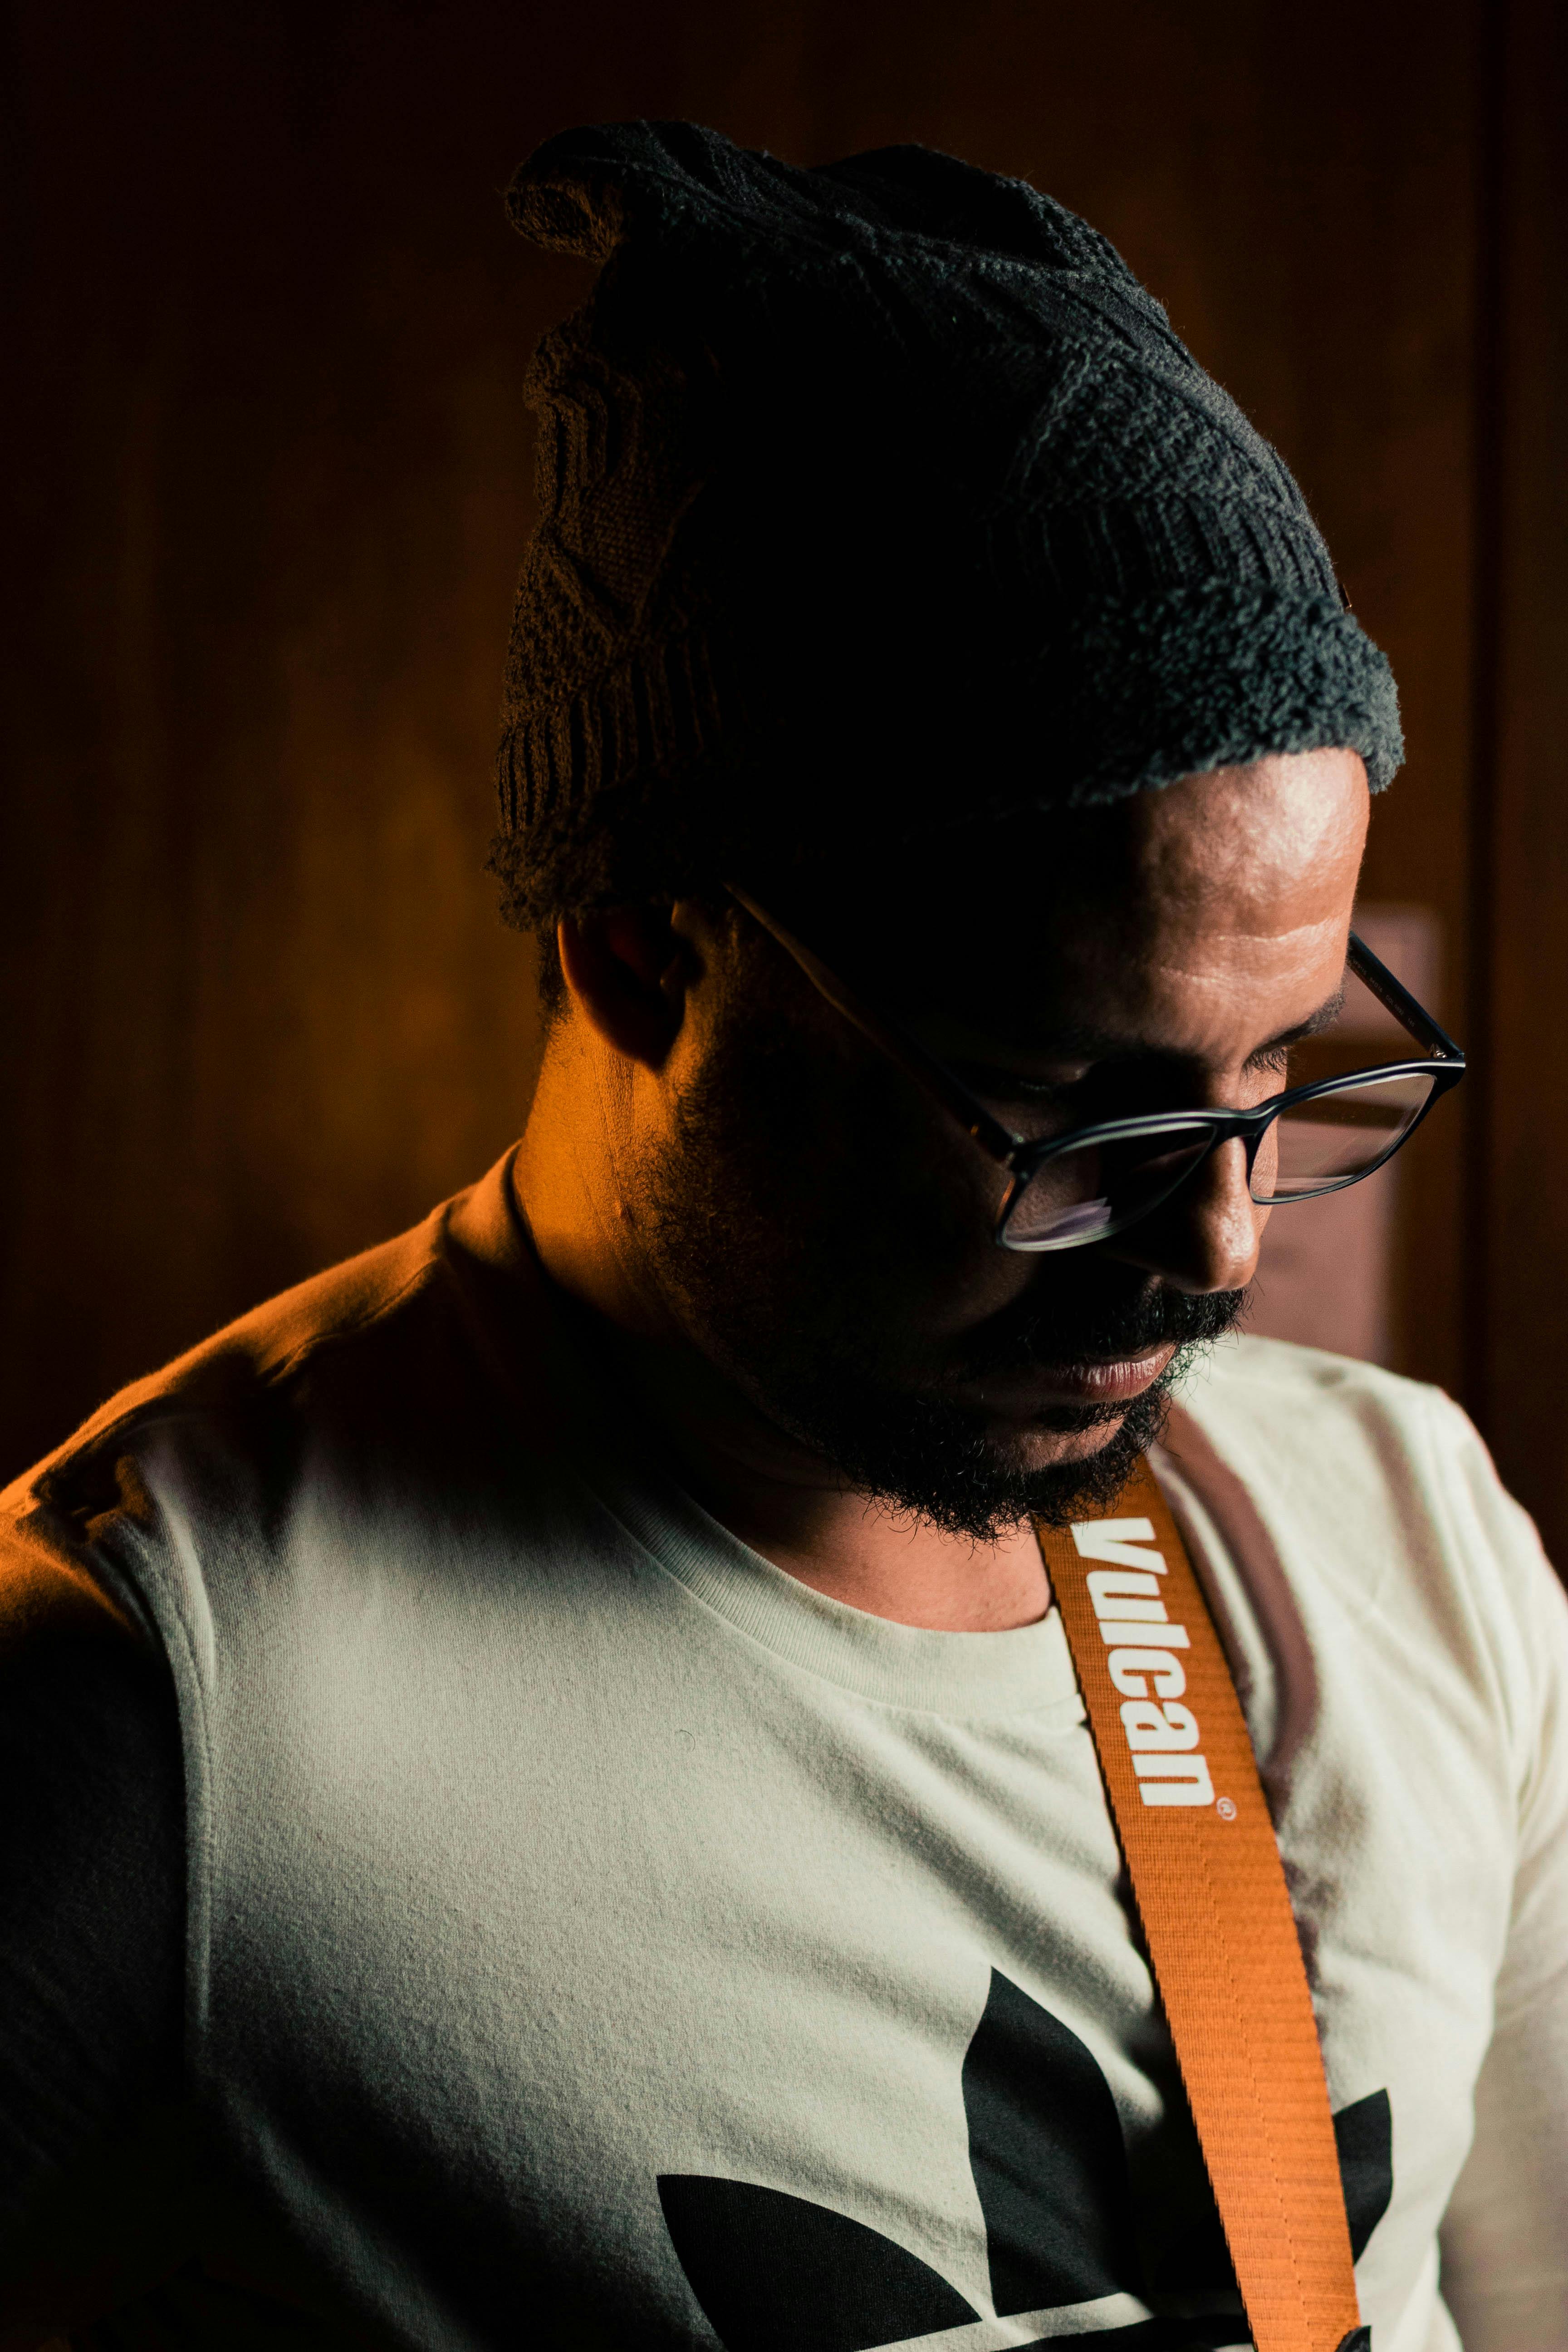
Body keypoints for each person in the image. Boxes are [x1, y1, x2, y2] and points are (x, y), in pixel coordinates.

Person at [1, 122, 1563, 2352]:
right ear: (650, 951)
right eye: (1075, 1106)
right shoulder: (163, 1701)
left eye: (1282, 1074)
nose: (1216, 1249)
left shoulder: (1411, 1538)